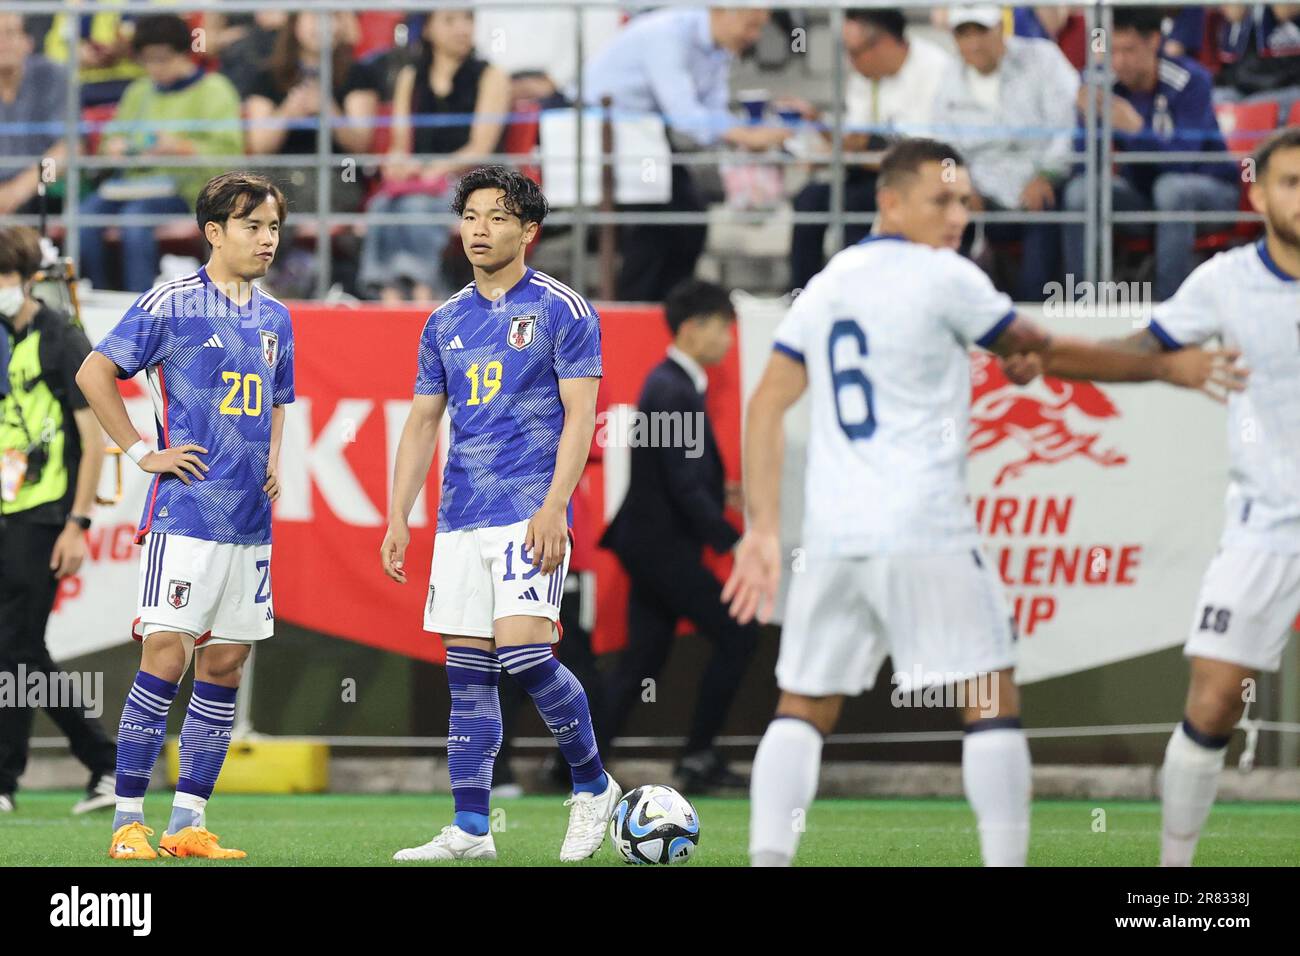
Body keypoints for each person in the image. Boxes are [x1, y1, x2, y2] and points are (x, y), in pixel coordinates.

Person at [723, 137, 1246, 868]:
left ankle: (767, 859)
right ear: (891, 201)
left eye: (966, 200)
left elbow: (767, 406)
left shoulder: (831, 280)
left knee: (804, 706)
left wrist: (765, 530)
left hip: (836, 535)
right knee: (990, 695)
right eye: (943, 199)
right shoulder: (946, 276)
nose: (960, 215)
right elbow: (1048, 352)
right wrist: (1167, 366)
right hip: (924, 525)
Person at [381, 165, 618, 862]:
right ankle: (472, 830)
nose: (480, 230)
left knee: (522, 651)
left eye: (497, 217)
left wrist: (554, 507)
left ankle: (593, 786)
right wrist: (399, 515)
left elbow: (582, 418)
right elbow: (424, 423)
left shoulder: (562, 310)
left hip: (526, 513)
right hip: (460, 519)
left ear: (529, 231)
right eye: (472, 217)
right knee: (466, 675)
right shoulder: (444, 320)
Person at [75, 172, 293, 860]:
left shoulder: (275, 316)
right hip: (188, 513)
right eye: (252, 225)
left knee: (225, 662)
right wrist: (143, 451)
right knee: (165, 654)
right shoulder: (173, 301)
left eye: (274, 227)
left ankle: (186, 824)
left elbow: (279, 395)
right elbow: (93, 372)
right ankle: (127, 824)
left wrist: (275, 459)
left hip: (250, 521)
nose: (266, 239)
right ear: (215, 232)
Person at [1138, 128, 1300, 866]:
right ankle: (1175, 878)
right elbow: (1146, 346)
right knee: (1212, 695)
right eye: (1291, 182)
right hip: (1266, 522)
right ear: (1258, 194)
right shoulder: (1224, 281)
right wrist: (1046, 353)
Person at [599, 278, 756, 792]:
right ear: (693, 330)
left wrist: (717, 491)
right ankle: (697, 758)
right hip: (660, 549)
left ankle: (576, 765)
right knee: (738, 634)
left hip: (651, 545)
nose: (730, 340)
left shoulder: (670, 385)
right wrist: (735, 541)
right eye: (722, 327)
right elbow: (682, 485)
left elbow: (682, 476)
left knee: (642, 660)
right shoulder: (672, 389)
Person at [0, 225, 116, 816]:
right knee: (21, 650)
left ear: (26, 277)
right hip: (7, 504)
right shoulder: (2, 339)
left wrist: (78, 523)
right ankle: (106, 764)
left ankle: (6, 780)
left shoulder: (61, 337)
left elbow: (92, 442)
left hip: (46, 513)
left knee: (16, 645)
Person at [582, 6, 789, 301]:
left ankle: (672, 309)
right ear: (721, 11)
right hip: (603, 131)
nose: (754, 37)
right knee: (657, 224)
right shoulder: (669, 33)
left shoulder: (721, 50)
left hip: (646, 134)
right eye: (750, 25)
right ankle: (636, 310)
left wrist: (750, 136)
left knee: (692, 215)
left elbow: (713, 110)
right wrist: (747, 136)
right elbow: (684, 112)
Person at [1062, 5, 1238, 300]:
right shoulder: (1105, 84)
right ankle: (1082, 299)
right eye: (1112, 50)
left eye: (1129, 50)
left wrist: (1137, 131)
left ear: (1154, 41)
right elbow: (1086, 165)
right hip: (1145, 197)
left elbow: (1183, 162)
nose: (1119, 61)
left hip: (1211, 193)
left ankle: (1170, 307)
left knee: (1170, 189)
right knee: (1082, 191)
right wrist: (1087, 121)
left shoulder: (1190, 80)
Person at [788, 8, 954, 292]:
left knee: (860, 204)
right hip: (868, 173)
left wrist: (858, 150)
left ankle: (861, 293)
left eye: (854, 52)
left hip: (915, 180)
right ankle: (802, 294)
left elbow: (922, 154)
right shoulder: (865, 77)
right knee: (809, 200)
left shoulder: (935, 68)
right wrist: (818, 125)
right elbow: (856, 138)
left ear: (884, 43)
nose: (851, 63)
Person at [78, 15, 245, 293]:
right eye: (147, 59)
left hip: (186, 190)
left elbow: (229, 155)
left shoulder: (216, 90)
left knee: (135, 221)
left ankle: (142, 302)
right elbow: (109, 142)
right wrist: (114, 148)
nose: (155, 67)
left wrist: (179, 148)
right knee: (84, 217)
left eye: (163, 58)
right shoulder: (138, 91)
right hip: (130, 187)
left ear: (184, 53)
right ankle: (100, 295)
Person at [358, 8, 509, 302]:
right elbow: (400, 143)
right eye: (451, 20)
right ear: (427, 28)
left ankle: (423, 292)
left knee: (414, 207)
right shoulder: (411, 76)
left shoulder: (491, 76)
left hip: (475, 179)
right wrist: (398, 164)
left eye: (467, 20)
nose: (462, 28)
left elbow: (481, 146)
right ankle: (389, 296)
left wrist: (436, 169)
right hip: (421, 178)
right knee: (382, 206)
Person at [931, 5, 1079, 300]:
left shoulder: (1043, 59)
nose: (973, 43)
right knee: (944, 210)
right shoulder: (949, 75)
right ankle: (949, 305)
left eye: (981, 31)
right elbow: (944, 148)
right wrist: (959, 184)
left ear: (1001, 28)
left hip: (1037, 183)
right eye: (963, 33)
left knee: (1046, 211)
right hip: (977, 190)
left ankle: (1036, 312)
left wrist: (1046, 174)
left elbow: (1067, 126)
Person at [0, 13, 69, 219]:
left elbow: (66, 149)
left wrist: (22, 188)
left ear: (28, 42)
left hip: (40, 188)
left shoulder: (52, 76)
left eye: (10, 34)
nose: (1, 42)